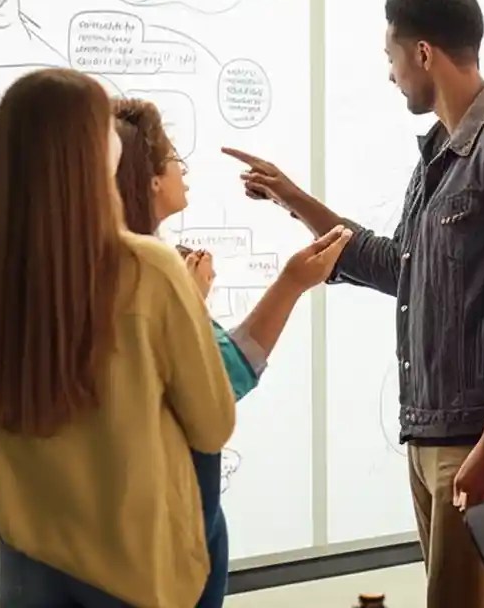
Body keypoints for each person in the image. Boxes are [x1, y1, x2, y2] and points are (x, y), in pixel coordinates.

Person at [223, 0, 484, 608]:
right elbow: (397, 267)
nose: (389, 75)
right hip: (437, 430)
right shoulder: (440, 154)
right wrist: (293, 198)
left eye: (390, 57)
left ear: (422, 54)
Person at [0, 68, 237, 607]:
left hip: (28, 556)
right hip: (132, 562)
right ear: (85, 148)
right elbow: (213, 422)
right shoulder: (149, 267)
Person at [111, 97, 352, 607]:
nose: (182, 169)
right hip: (164, 524)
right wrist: (283, 285)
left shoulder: (137, 265)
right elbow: (218, 381)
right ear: (150, 179)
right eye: (174, 158)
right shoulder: (143, 274)